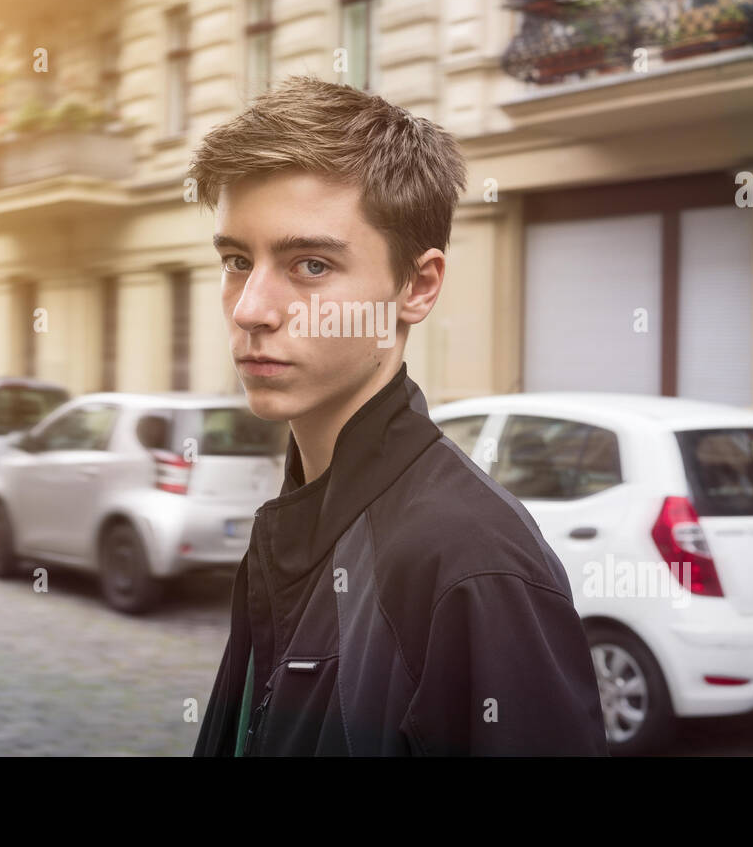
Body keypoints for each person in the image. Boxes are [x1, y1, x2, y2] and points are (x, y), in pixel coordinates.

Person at [189, 75, 608, 756]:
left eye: (311, 265)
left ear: (417, 286)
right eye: (238, 260)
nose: (251, 308)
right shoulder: (288, 528)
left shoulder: (475, 567)